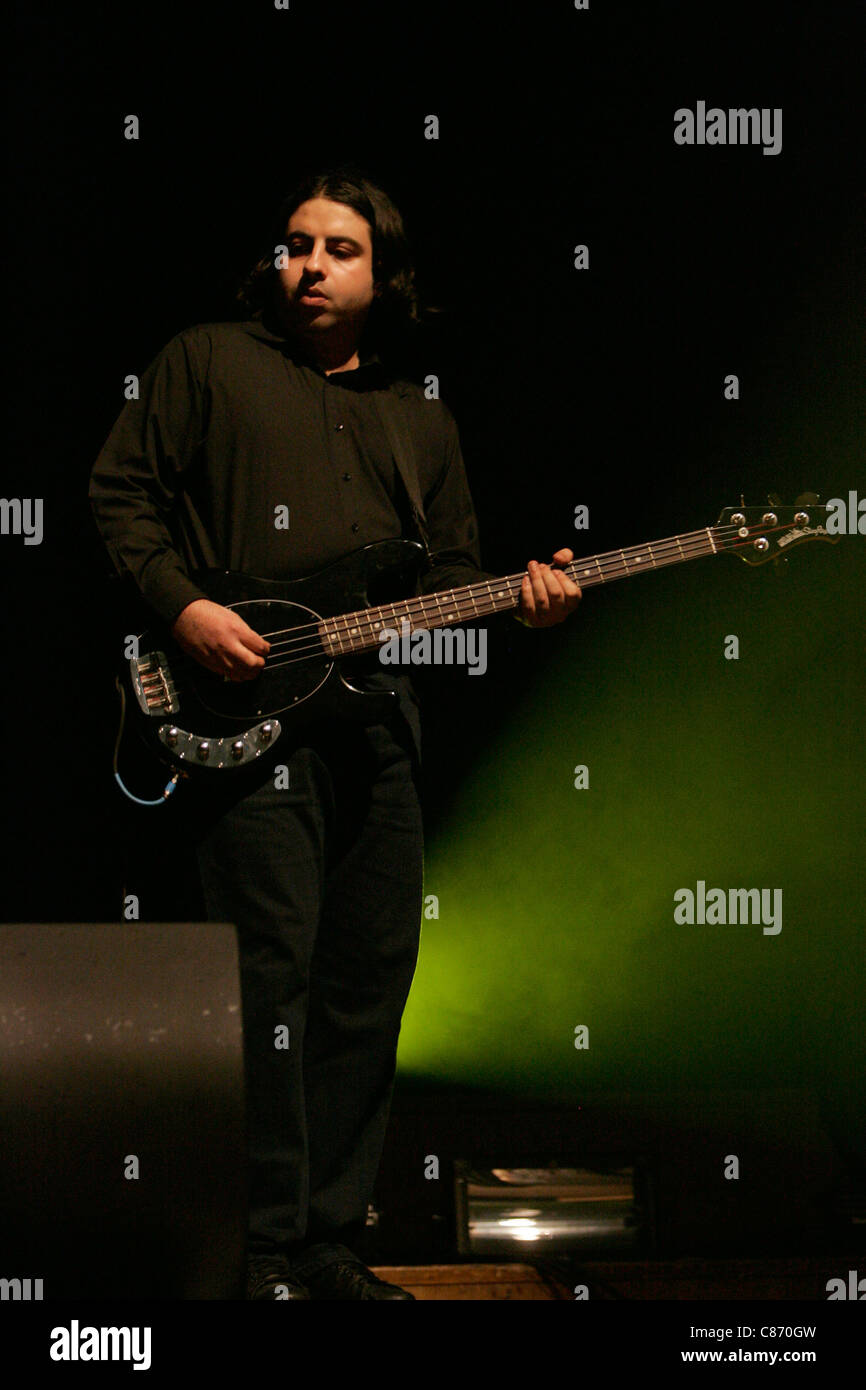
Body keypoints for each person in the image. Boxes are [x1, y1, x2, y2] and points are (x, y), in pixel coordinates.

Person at [88, 165, 581, 1300]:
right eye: (294, 244)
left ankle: (325, 1243)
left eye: (338, 249)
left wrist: (522, 597)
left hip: (373, 727)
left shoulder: (418, 415)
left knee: (367, 980)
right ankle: (256, 1252)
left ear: (383, 276)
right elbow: (120, 494)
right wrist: (184, 605)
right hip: (240, 717)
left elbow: (450, 580)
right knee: (271, 985)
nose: (307, 265)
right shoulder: (205, 361)